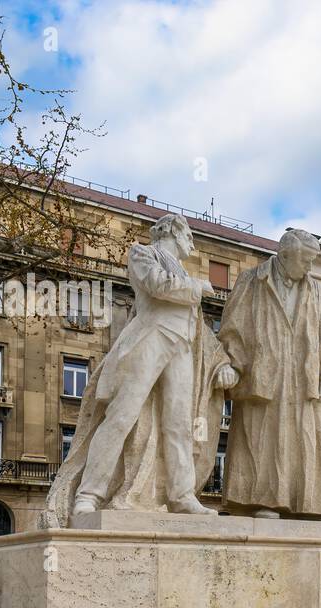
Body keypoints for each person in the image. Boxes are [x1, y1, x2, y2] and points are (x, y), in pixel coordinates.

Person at [55, 213, 236, 521]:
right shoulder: (143, 253)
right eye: (189, 236)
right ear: (173, 232)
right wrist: (197, 286)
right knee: (121, 416)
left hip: (181, 348)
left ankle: (181, 495)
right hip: (149, 339)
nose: (191, 243)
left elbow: (198, 327)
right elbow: (156, 285)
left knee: (179, 425)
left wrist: (219, 363)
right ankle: (89, 494)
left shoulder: (181, 269)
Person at [218, 228, 321, 523]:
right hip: (263, 373)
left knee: (315, 435)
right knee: (264, 438)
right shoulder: (252, 281)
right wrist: (235, 365)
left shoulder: (313, 288)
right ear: (286, 254)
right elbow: (232, 328)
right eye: (306, 260)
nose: (309, 267)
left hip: (302, 375)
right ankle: (265, 501)